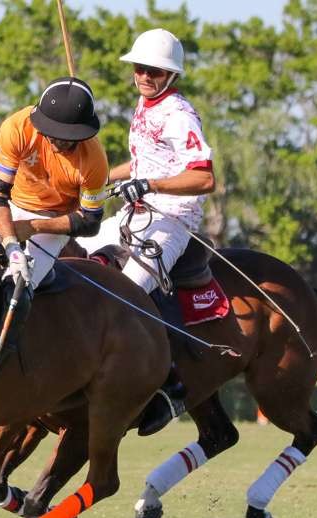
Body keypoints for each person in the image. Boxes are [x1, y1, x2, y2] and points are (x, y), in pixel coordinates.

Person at [0, 76, 111, 421]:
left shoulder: (94, 160)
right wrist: (11, 243)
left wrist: (32, 229)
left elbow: (89, 222)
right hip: (7, 205)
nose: (62, 141)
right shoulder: (17, 127)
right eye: (55, 132)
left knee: (17, 288)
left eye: (70, 136)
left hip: (52, 222)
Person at [75, 28, 216, 434]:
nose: (144, 76)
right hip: (134, 213)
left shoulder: (179, 114)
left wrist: (151, 185)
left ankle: (168, 385)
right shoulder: (144, 104)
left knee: (126, 294)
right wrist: (95, 180)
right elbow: (141, 165)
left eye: (154, 71)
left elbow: (204, 178)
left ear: (171, 75)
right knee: (73, 261)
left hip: (172, 219)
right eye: (139, 68)